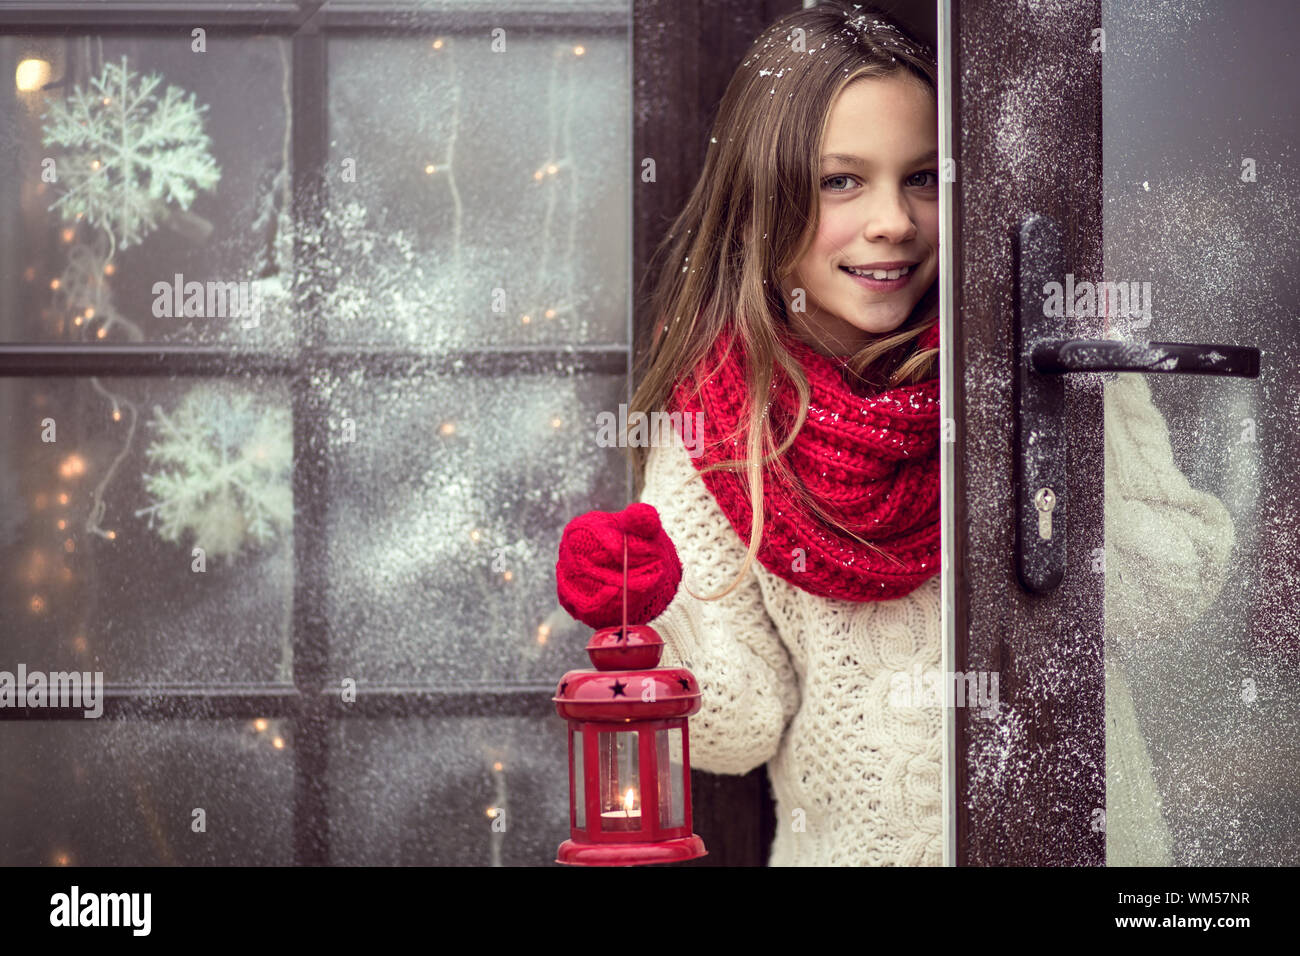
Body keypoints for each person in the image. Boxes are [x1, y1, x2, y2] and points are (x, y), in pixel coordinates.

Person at [557, 1, 944, 866]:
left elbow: (1169, 585)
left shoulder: (1003, 380)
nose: (895, 220)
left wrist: (1088, 403)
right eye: (841, 181)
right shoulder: (723, 422)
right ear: (764, 198)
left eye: (923, 177)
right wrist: (653, 612)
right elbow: (739, 725)